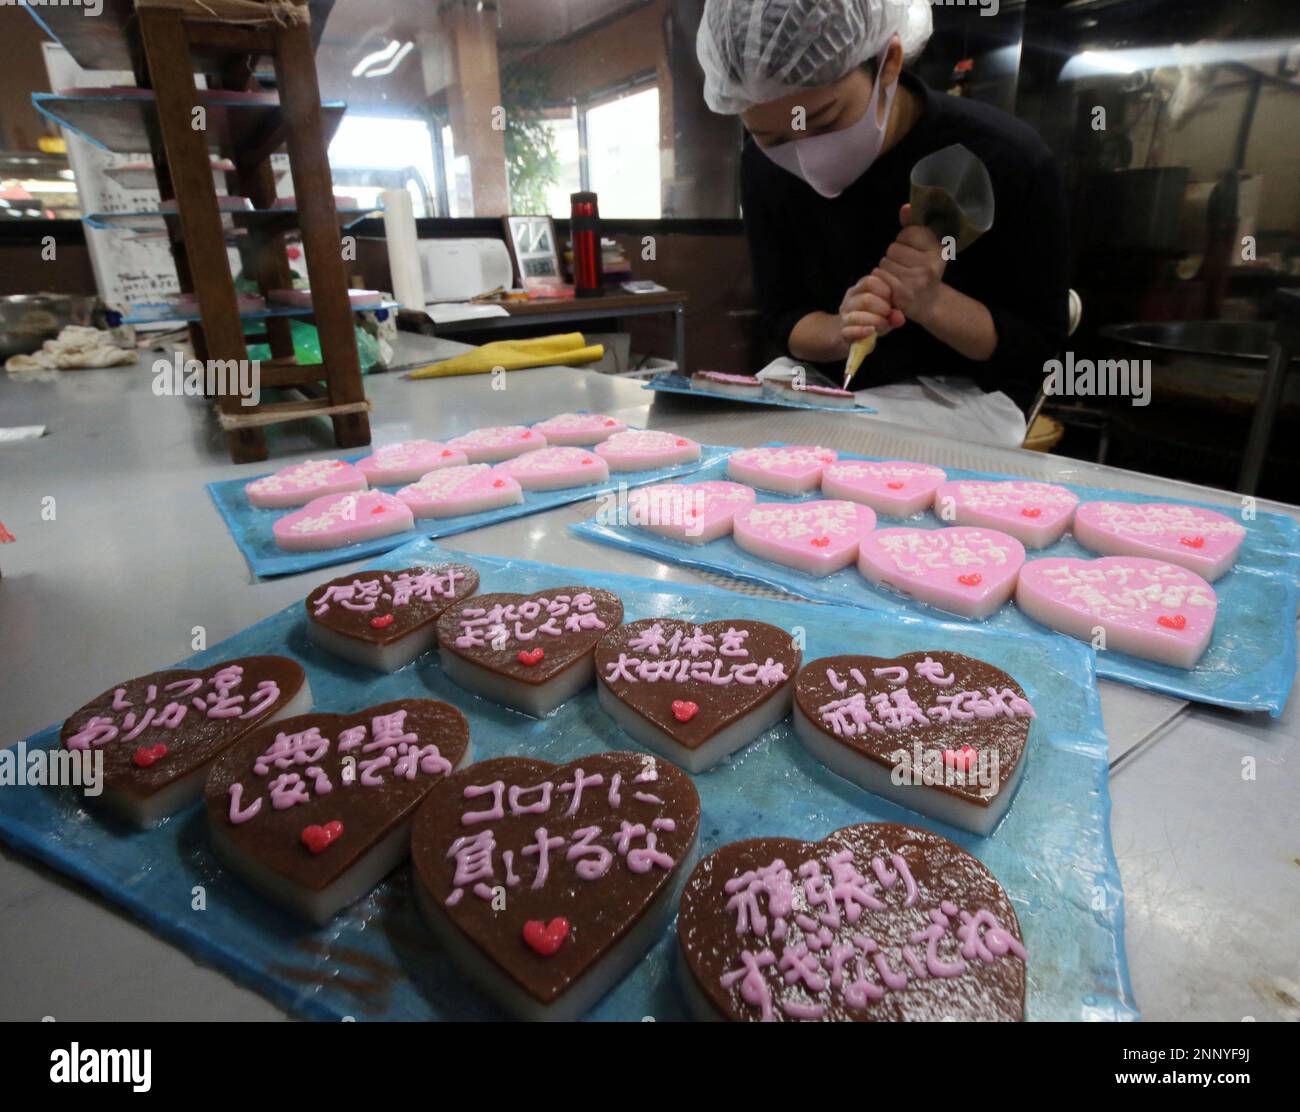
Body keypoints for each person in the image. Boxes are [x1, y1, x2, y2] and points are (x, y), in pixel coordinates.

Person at [697, 0, 1069, 440]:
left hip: (964, 400)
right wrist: (840, 330)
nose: (804, 156)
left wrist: (932, 303)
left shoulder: (1006, 159)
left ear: (888, 62)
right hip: (822, 387)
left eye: (824, 120)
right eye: (771, 136)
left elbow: (1038, 352)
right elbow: (783, 315)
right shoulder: (763, 168)